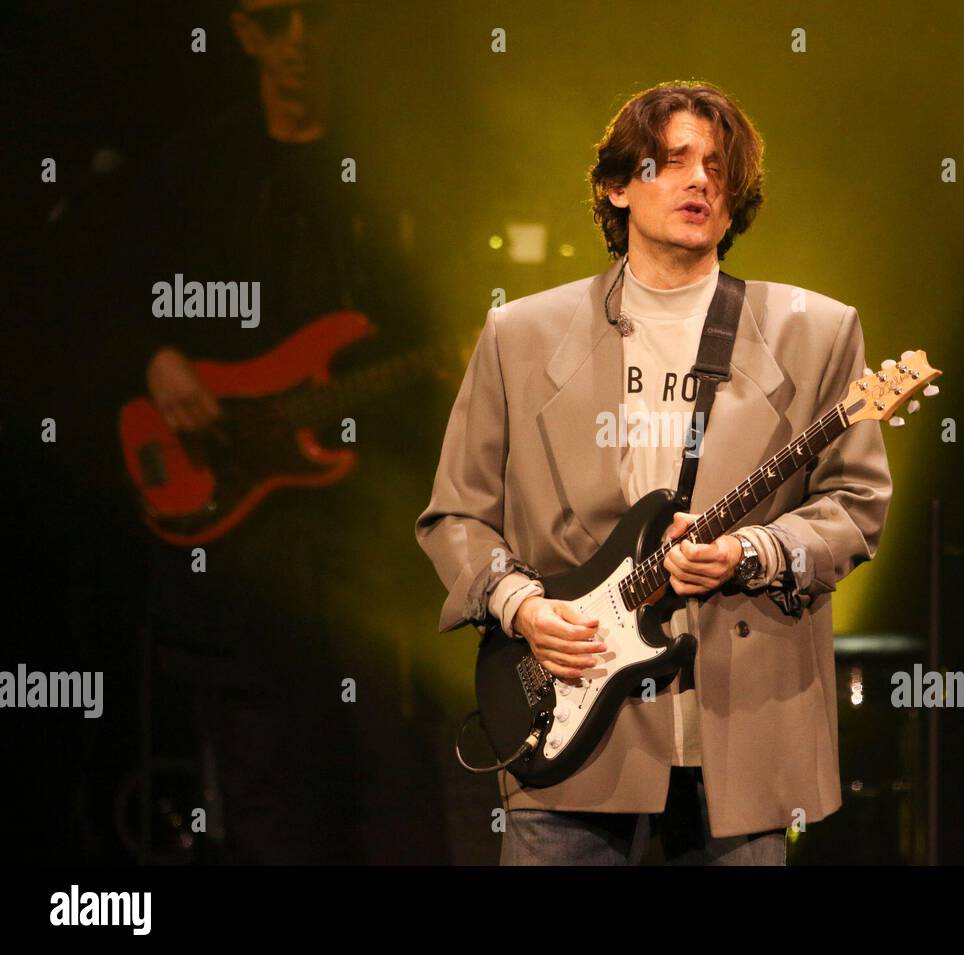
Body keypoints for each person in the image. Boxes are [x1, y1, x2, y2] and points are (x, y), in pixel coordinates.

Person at [417, 81, 892, 865]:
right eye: (670, 161)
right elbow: (457, 513)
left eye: (717, 165)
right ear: (615, 185)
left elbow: (857, 504)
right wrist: (520, 606)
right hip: (566, 728)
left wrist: (755, 551)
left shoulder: (817, 331)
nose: (700, 179)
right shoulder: (521, 335)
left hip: (743, 731)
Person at [130, 0, 439, 864]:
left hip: (367, 530)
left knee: (391, 761)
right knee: (265, 773)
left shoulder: (387, 169)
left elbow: (420, 331)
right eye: (273, 20)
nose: (297, 41)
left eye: (317, 16)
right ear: (241, 33)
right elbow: (99, 294)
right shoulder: (196, 168)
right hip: (239, 540)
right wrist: (153, 359)